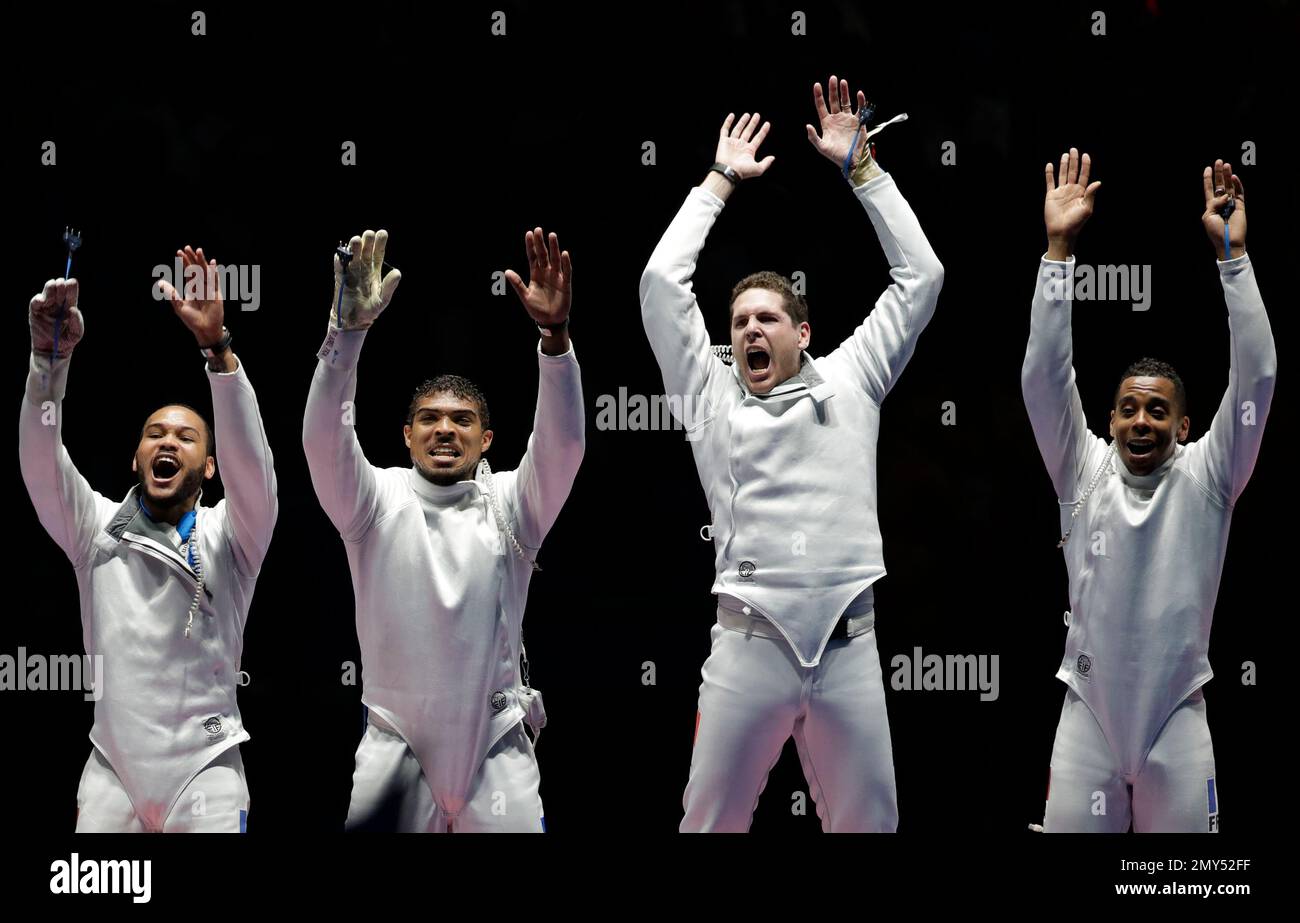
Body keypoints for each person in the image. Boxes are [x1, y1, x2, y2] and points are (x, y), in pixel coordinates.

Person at [639, 76, 944, 832]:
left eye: (767, 316)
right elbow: (658, 283)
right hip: (750, 644)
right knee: (708, 825)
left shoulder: (854, 376)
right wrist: (716, 184)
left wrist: (864, 172)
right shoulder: (710, 398)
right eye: (738, 319)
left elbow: (922, 277)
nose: (749, 330)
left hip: (850, 643)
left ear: (801, 331)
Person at [1023, 149, 1275, 832]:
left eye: (1158, 410)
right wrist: (1058, 252)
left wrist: (1233, 258)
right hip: (1089, 719)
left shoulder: (1210, 473)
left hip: (1177, 720)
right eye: (1129, 408)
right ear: (1108, 421)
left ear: (1184, 425)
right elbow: (1044, 380)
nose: (1142, 420)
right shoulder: (1082, 468)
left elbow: (1256, 377)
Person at [303, 228, 584, 832]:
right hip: (394, 748)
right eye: (428, 419)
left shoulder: (513, 502)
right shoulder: (373, 502)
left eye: (462, 420)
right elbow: (323, 440)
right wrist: (345, 336)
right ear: (406, 436)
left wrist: (555, 341)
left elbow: (563, 446)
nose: (444, 430)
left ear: (486, 440)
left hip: (496, 749)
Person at [20, 245, 279, 832]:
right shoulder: (96, 530)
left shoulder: (233, 538)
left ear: (210, 466)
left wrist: (218, 353)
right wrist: (47, 363)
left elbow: (255, 473)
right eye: (154, 434)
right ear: (137, 457)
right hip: (113, 769)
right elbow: (40, 464)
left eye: (186, 437)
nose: (168, 442)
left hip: (207, 769)